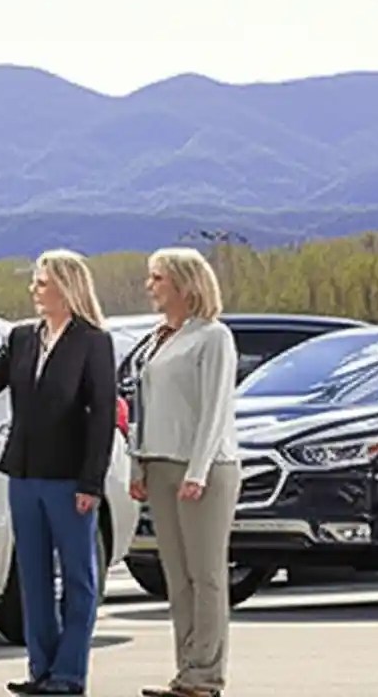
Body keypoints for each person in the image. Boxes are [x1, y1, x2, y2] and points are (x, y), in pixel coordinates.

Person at [0, 249, 117, 696]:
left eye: (42, 282)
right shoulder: (21, 338)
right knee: (32, 577)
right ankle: (41, 670)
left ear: (67, 287)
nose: (33, 289)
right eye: (34, 281)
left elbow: (103, 416)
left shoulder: (93, 342)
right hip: (24, 477)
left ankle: (69, 674)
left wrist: (92, 482)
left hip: (70, 480)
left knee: (78, 579)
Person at [129, 248, 240, 697]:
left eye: (156, 278)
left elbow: (216, 410)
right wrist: (139, 463)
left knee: (206, 575)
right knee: (177, 575)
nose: (149, 286)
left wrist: (197, 471)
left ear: (183, 284)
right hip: (160, 466)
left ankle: (205, 674)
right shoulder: (161, 338)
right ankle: (185, 672)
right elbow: (146, 406)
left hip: (206, 470)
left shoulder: (214, 337)